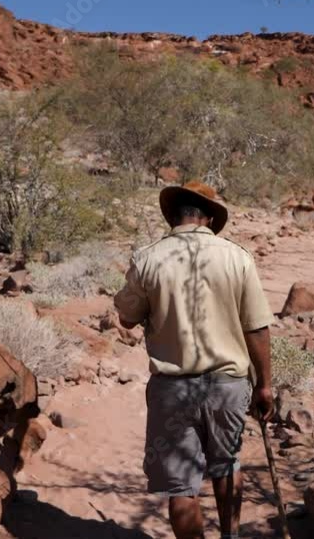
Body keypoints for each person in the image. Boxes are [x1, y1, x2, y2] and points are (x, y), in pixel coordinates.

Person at [114, 181, 275, 539]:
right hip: (228, 385)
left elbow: (126, 318)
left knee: (181, 486)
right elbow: (257, 327)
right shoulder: (237, 257)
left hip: (173, 388)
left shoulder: (147, 258)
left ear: (173, 216)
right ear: (208, 219)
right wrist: (264, 385)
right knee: (227, 465)